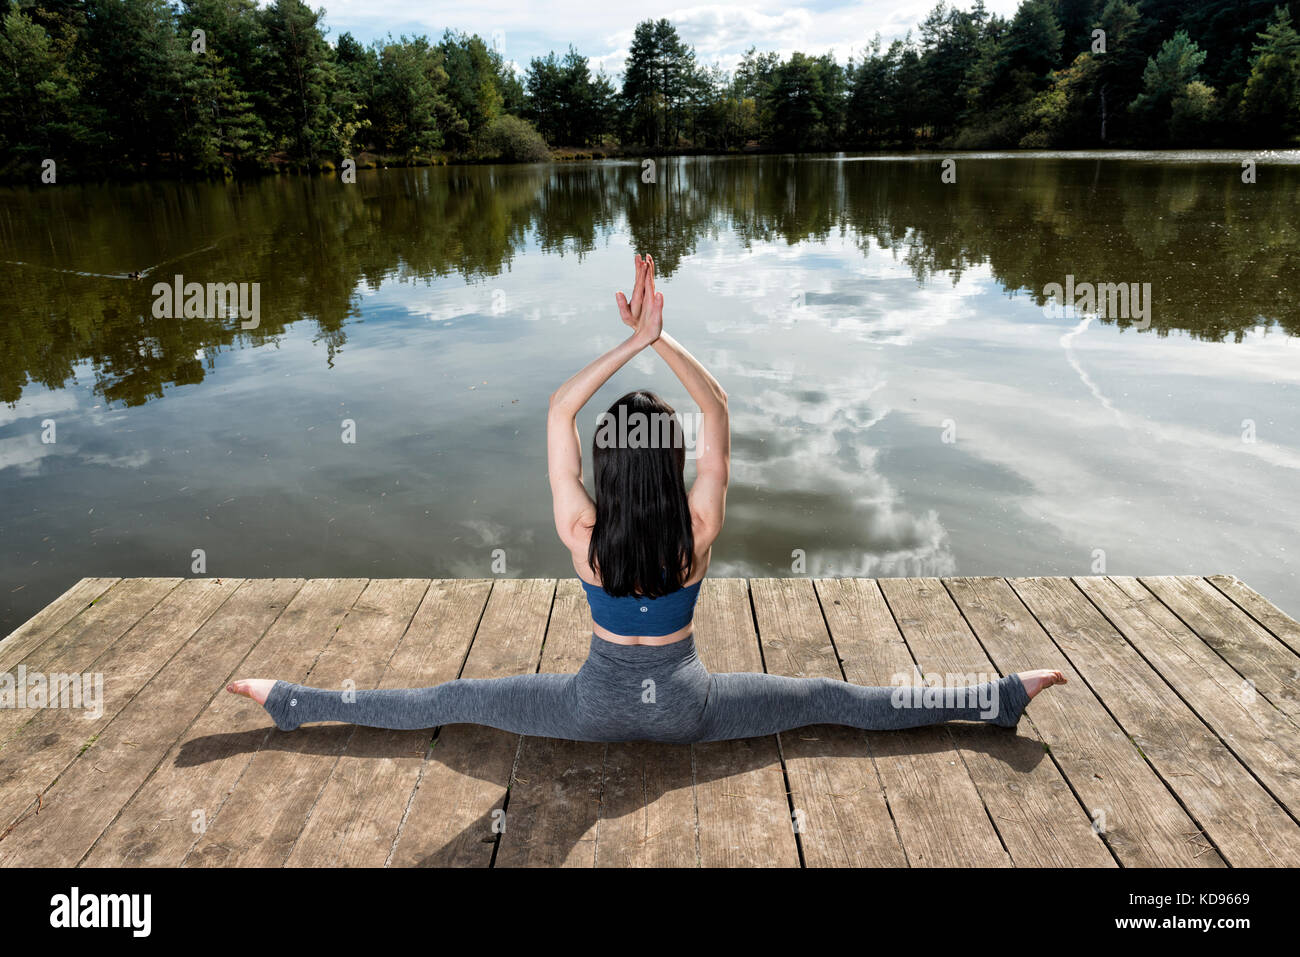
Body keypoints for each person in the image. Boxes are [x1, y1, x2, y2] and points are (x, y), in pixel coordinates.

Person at [228, 254, 1064, 741]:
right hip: (690, 709)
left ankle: (295, 704)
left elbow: (559, 407)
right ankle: (994, 699)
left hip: (591, 706)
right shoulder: (696, 528)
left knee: (450, 698)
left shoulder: (582, 529)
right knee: (828, 698)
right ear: (668, 465)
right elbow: (719, 407)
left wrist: (629, 342)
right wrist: (663, 342)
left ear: (607, 464)